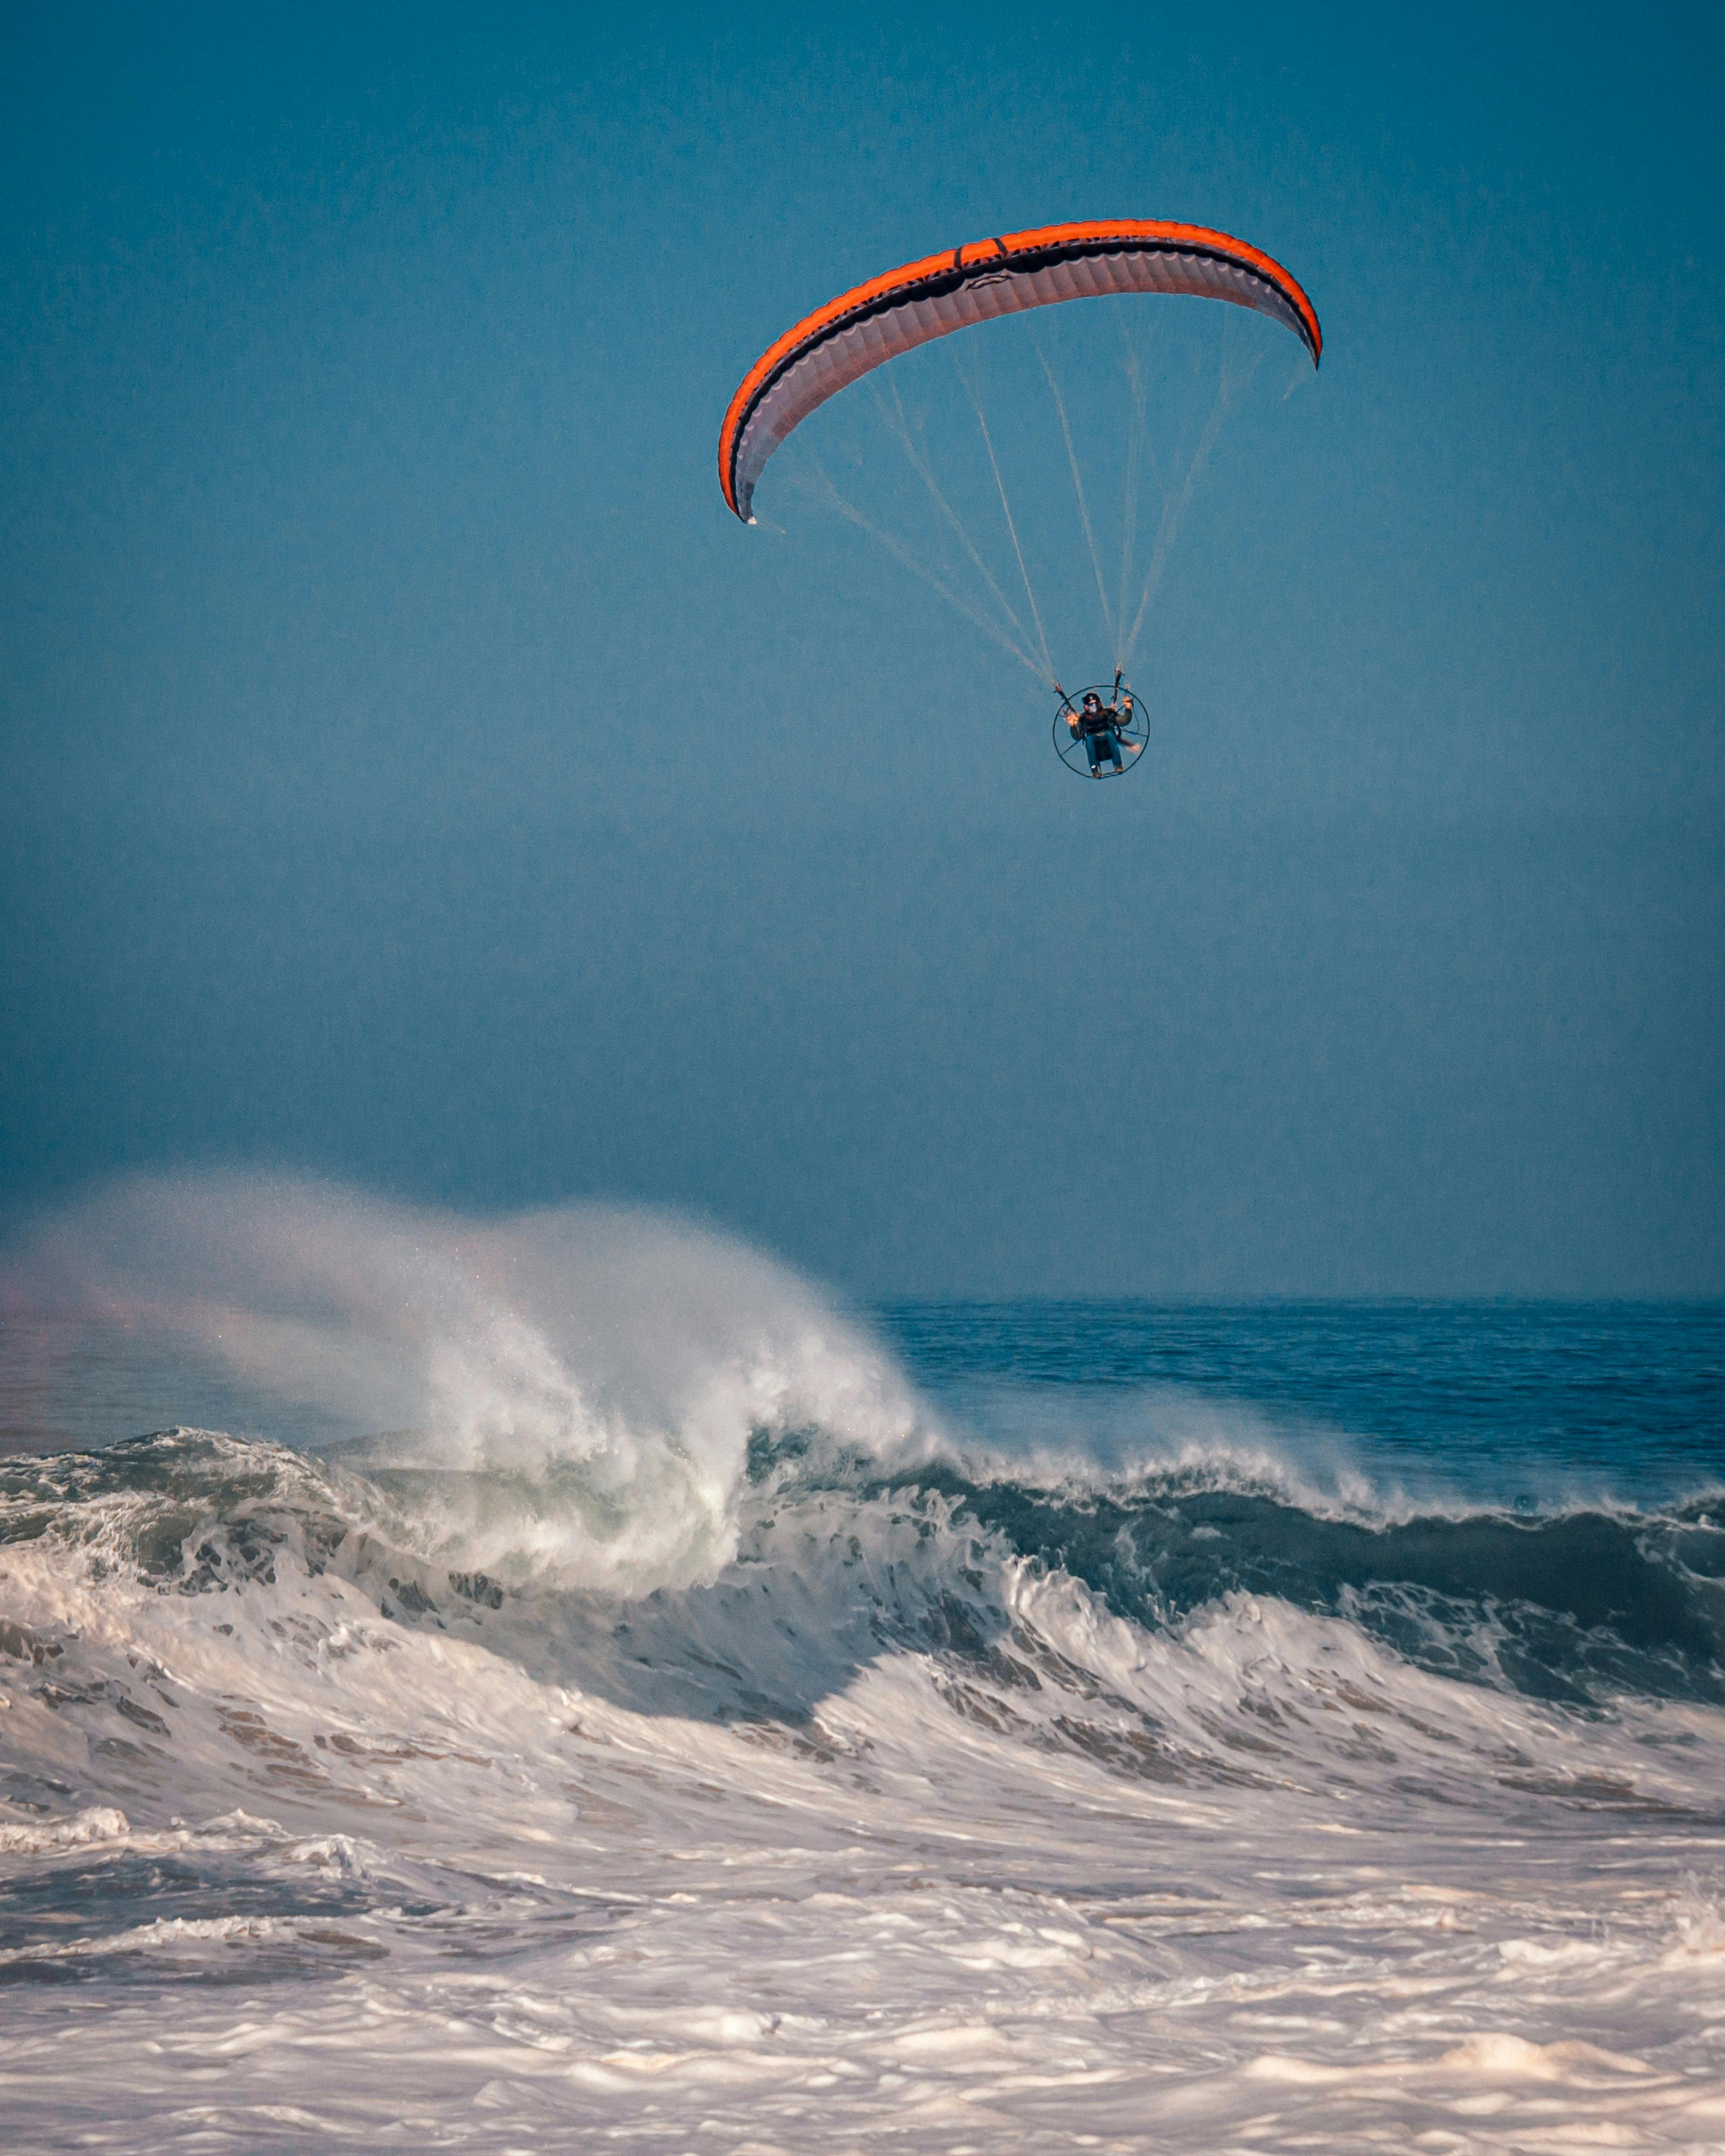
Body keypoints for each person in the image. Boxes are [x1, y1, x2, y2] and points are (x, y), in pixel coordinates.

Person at [1067, 688, 1140, 776]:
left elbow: (1124, 721)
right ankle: (1095, 769)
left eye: (1095, 703)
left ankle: (1118, 764)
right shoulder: (1083, 719)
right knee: (1089, 740)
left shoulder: (1108, 713)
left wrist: (1128, 709)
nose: (1093, 706)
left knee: (1110, 735)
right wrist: (1073, 726)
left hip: (1107, 738)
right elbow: (1077, 737)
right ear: (1086, 707)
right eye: (1091, 705)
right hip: (1094, 741)